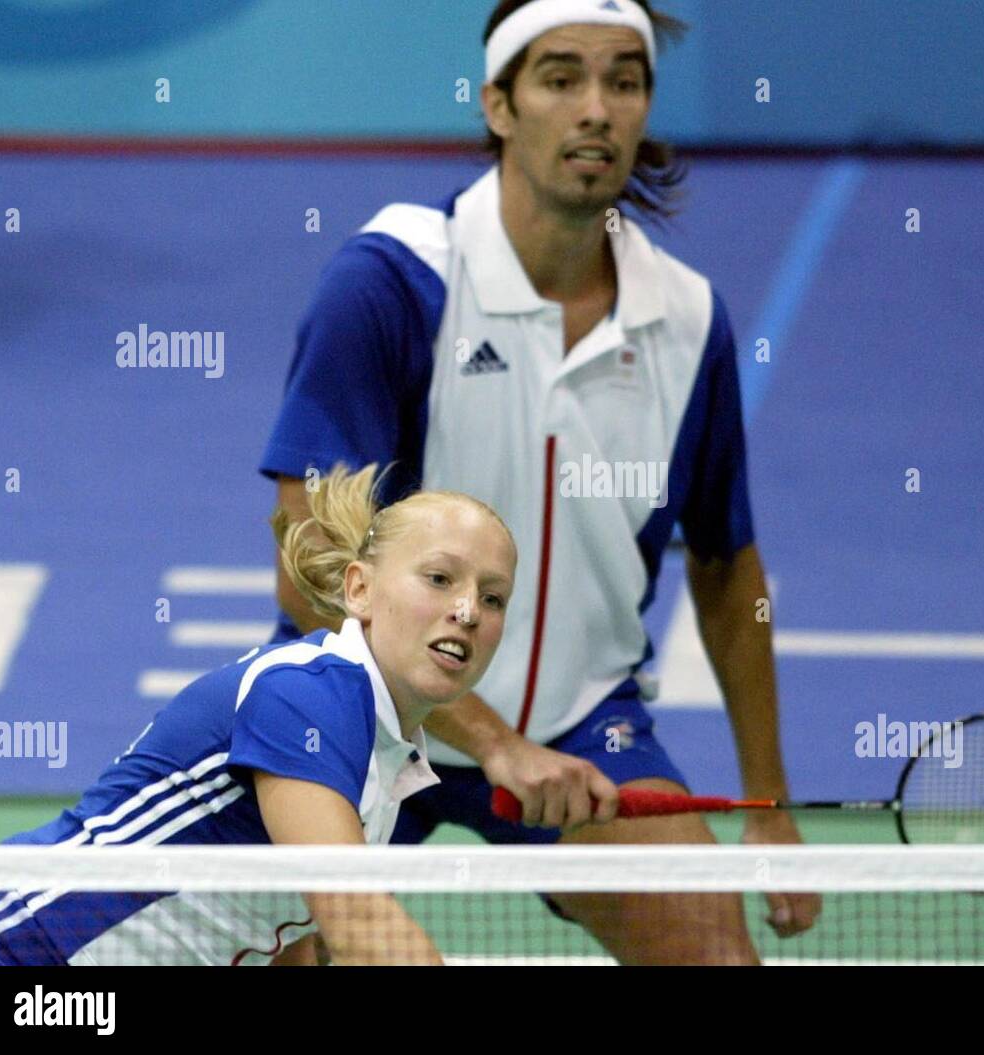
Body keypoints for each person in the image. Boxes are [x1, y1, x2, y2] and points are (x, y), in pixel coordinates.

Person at [261, 0, 820, 964]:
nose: (596, 109)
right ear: (500, 105)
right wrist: (493, 743)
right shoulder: (394, 282)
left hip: (577, 729)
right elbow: (308, 564)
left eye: (625, 81)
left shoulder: (686, 321)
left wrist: (767, 806)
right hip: (359, 717)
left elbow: (727, 565)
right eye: (561, 79)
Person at [0, 465, 517, 966]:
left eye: (493, 598)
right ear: (360, 589)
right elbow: (359, 924)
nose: (468, 612)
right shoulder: (305, 695)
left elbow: (283, 933)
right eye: (440, 579)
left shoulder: (381, 758)